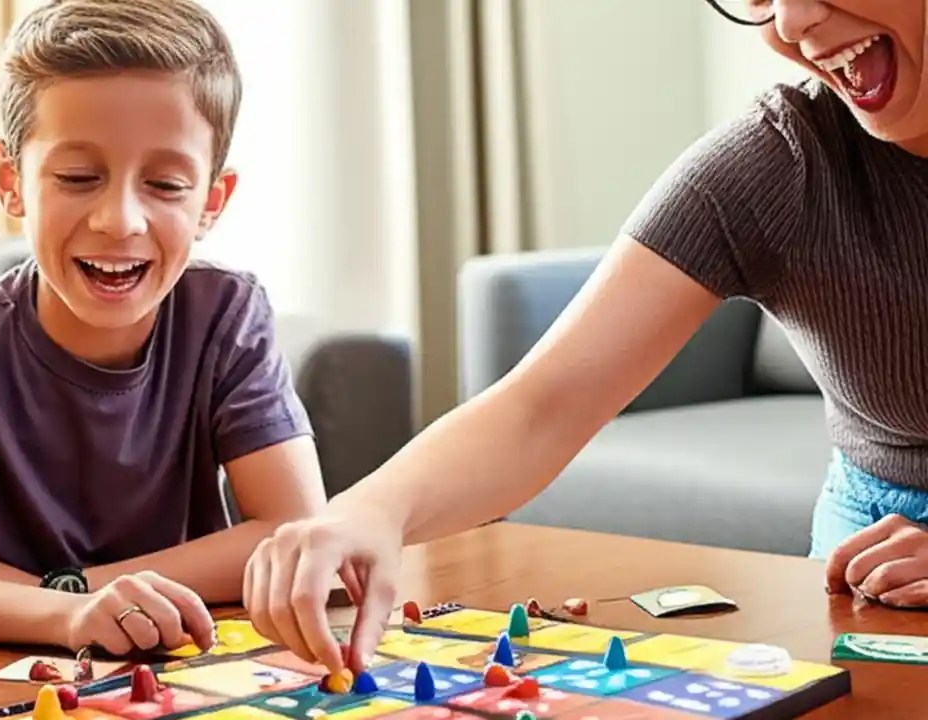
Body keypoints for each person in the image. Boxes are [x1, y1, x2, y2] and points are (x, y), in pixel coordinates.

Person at [244, 0, 928, 675]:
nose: (790, 22)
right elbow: (541, 405)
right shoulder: (785, 161)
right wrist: (370, 511)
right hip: (880, 555)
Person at [0, 0, 326, 658]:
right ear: (10, 181)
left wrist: (70, 591)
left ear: (212, 201)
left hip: (173, 668)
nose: (119, 220)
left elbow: (295, 531)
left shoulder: (226, 313)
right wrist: (68, 619)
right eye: (77, 177)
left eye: (164, 184)